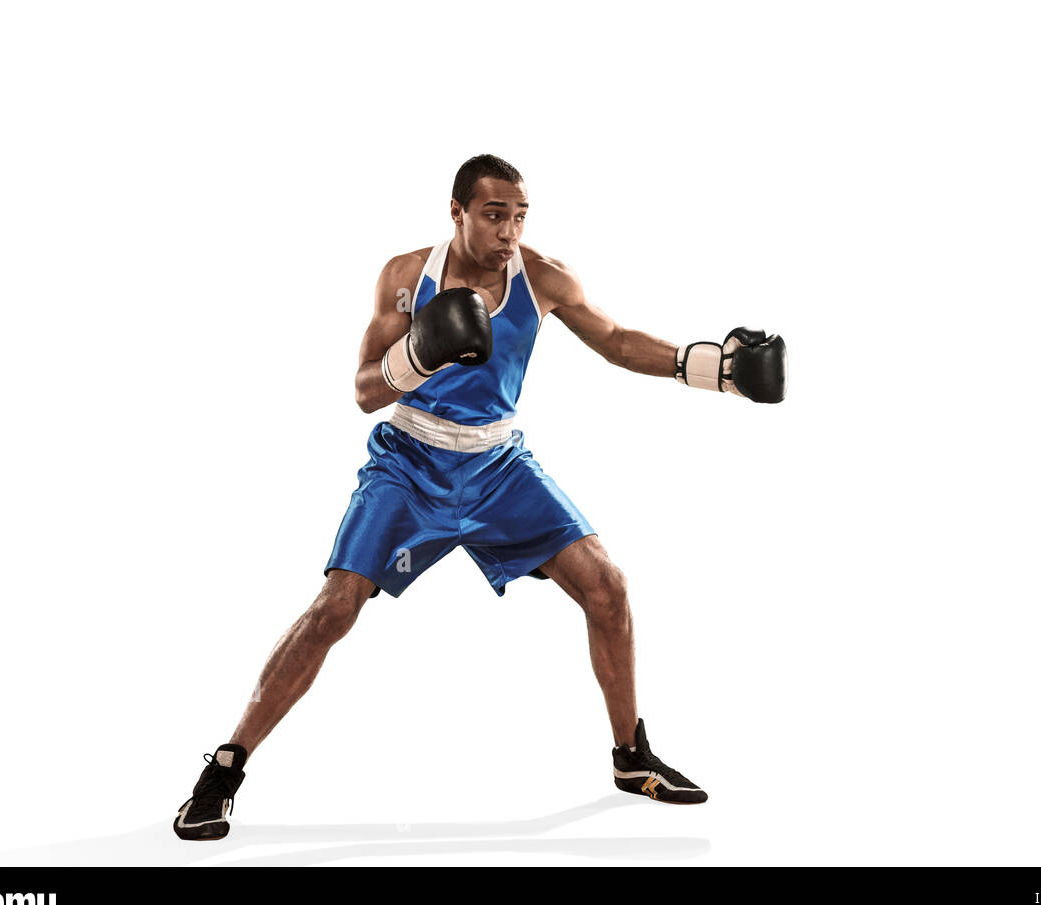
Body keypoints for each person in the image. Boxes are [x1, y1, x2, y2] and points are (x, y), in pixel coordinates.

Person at [174, 154, 785, 840]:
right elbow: (364, 392)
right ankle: (223, 770)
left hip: (498, 466)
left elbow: (613, 340)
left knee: (606, 585)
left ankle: (630, 756)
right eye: (495, 216)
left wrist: (709, 369)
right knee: (333, 610)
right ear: (458, 212)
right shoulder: (407, 279)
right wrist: (420, 352)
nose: (509, 233)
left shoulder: (544, 278)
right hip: (409, 464)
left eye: (520, 217)